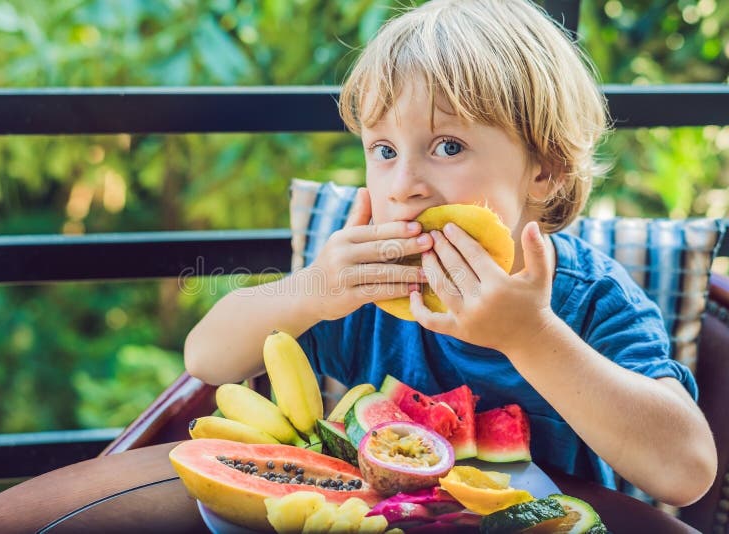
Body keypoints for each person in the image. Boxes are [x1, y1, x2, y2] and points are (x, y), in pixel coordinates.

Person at [184, 0, 716, 506]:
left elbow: (686, 472)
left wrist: (530, 336)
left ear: (544, 170)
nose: (404, 185)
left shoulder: (592, 298)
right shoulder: (366, 290)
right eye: (385, 150)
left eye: (448, 147)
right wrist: (313, 290)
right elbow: (206, 358)